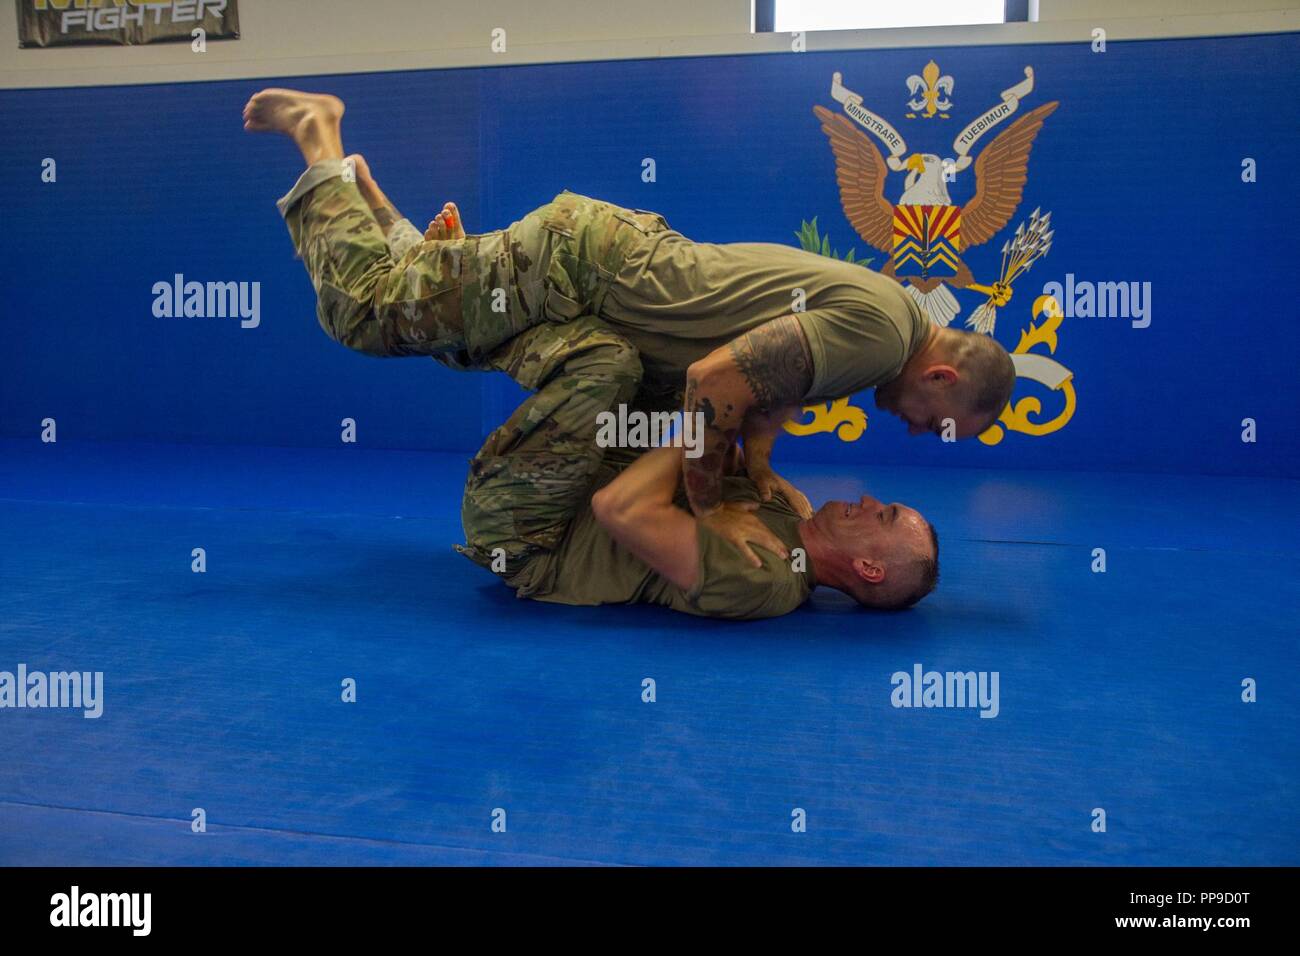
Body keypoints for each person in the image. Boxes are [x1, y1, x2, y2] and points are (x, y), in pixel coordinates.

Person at [244, 88, 1007, 564]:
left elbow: (772, 386)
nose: (915, 431)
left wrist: (763, 465)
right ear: (942, 378)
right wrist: (714, 507)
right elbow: (715, 381)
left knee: (456, 334)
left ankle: (367, 198)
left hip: (600, 294)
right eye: (935, 425)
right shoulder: (885, 337)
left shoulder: (891, 323)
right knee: (367, 313)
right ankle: (318, 136)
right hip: (582, 268)